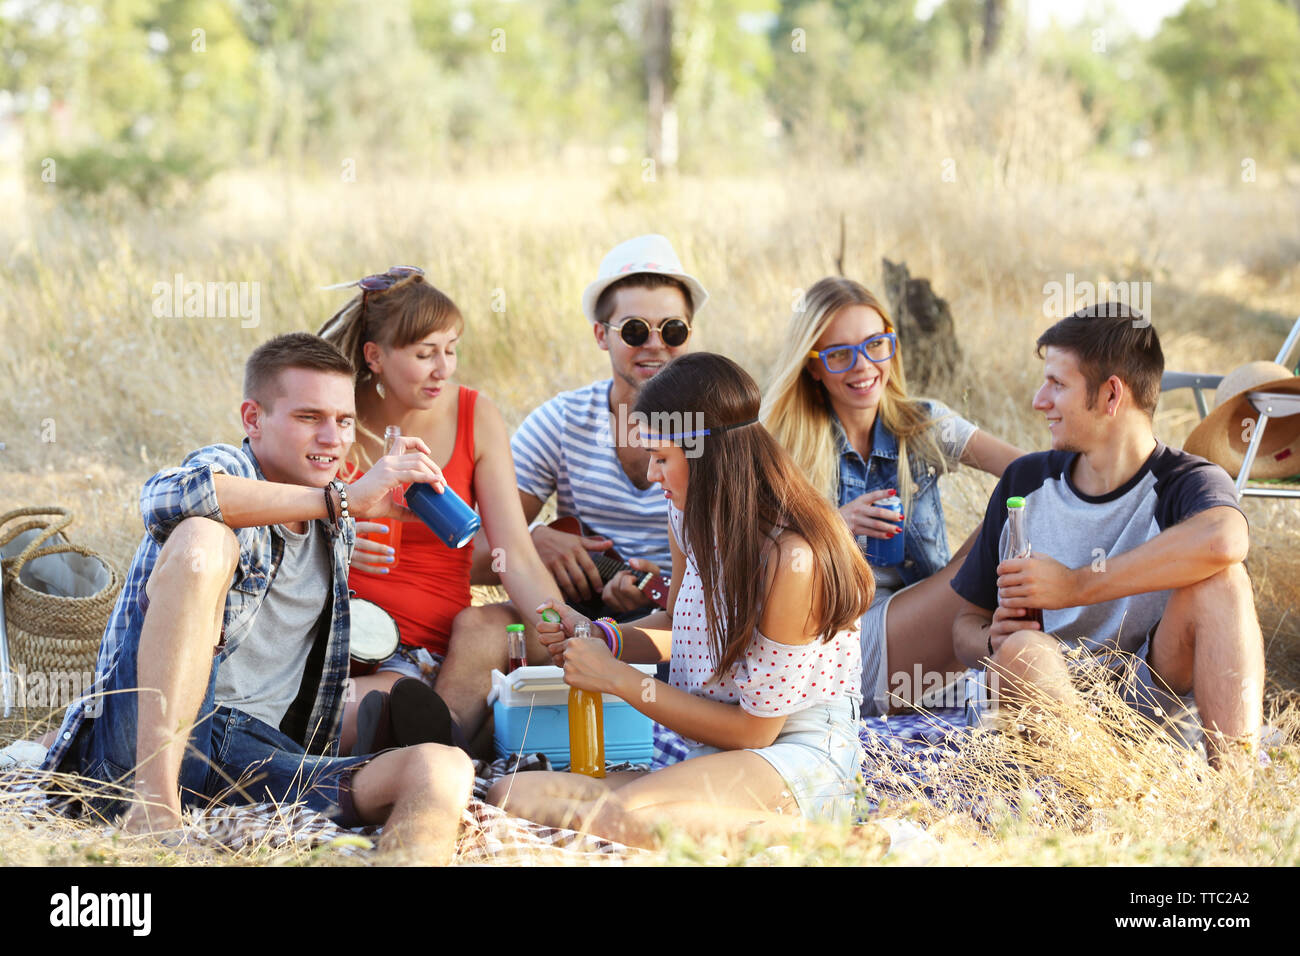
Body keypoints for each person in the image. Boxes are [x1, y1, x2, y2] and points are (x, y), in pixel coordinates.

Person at [41, 333, 474, 862]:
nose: (332, 437)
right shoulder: (234, 467)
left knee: (442, 766)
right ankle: (152, 809)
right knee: (203, 537)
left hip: (252, 756)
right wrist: (342, 498)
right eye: (308, 417)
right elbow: (169, 495)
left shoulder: (333, 521)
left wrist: (369, 505)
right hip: (137, 750)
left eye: (342, 420)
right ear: (254, 419)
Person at [487, 353, 872, 847]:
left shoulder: (791, 560)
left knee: (625, 816)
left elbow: (756, 731)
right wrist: (599, 634)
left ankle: (842, 843)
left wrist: (618, 680)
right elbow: (678, 624)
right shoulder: (689, 517)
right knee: (511, 792)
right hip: (717, 750)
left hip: (793, 751)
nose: (651, 475)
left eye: (662, 458)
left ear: (708, 456)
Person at [949, 305, 1264, 775]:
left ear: (1112, 394)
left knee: (1225, 582)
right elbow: (962, 629)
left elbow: (1224, 541)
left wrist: (1076, 585)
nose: (1039, 400)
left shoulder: (1186, 480)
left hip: (1149, 703)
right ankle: (1116, 789)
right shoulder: (1025, 482)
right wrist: (990, 642)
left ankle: (1236, 797)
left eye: (1057, 384)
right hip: (1047, 713)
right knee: (1023, 651)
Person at [443, 234, 709, 741]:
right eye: (635, 329)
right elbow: (469, 551)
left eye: (672, 329)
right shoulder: (562, 421)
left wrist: (669, 596)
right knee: (479, 629)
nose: (655, 344)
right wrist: (530, 543)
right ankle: (433, 754)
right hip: (585, 624)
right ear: (600, 334)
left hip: (687, 628)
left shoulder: (716, 427)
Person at [317, 266, 562, 755]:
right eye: (424, 354)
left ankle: (431, 739)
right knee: (317, 715)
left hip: (423, 651)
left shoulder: (476, 415)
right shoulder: (332, 416)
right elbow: (281, 528)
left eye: (450, 350)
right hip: (331, 636)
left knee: (353, 716)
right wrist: (337, 537)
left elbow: (514, 552)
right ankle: (443, 743)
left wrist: (566, 627)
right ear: (375, 356)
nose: (443, 369)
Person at [762, 276, 1024, 715]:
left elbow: (1028, 473)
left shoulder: (922, 424)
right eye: (840, 354)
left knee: (1013, 509)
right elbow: (751, 564)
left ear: (891, 345)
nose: (863, 366)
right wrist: (832, 527)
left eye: (875, 345)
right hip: (841, 650)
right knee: (1007, 538)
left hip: (927, 628)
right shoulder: (787, 445)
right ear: (813, 366)